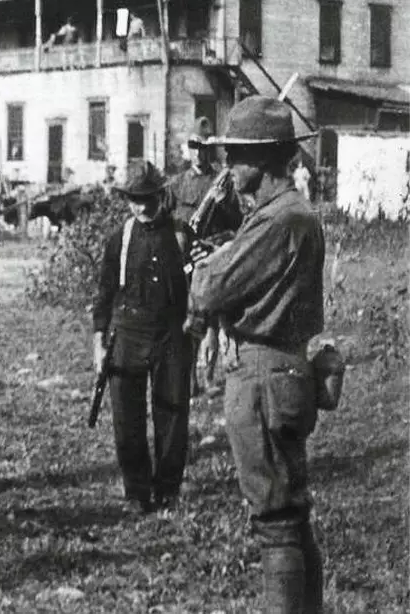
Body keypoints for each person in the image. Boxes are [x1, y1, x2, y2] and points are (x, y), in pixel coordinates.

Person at [189, 96, 324, 613]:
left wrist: (210, 267)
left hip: (262, 373)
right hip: (284, 369)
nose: (228, 166)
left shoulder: (277, 220)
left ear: (265, 160)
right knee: (291, 513)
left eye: (237, 155)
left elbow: (208, 292)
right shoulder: (290, 214)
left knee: (275, 520)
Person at [91, 161, 191, 514]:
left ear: (160, 196)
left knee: (173, 413)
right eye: (135, 199)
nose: (142, 207)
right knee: (127, 417)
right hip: (128, 335)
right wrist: (99, 341)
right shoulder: (120, 238)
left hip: (171, 335)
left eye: (148, 198)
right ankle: (136, 490)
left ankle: (167, 489)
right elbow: (104, 293)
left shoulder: (180, 235)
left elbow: (199, 288)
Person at [167, 117, 243, 393]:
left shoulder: (221, 183)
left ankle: (209, 378)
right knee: (188, 320)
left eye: (203, 147)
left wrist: (223, 206)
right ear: (187, 149)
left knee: (211, 320)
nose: (198, 152)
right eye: (194, 146)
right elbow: (166, 221)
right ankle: (190, 380)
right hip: (184, 258)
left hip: (211, 258)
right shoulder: (175, 185)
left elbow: (237, 223)